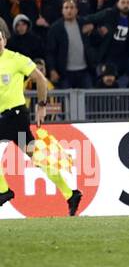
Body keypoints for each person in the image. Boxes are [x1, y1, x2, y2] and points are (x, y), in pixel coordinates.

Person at [0, 22, 82, 215]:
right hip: (5, 118)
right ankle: (70, 193)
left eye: (0, 38)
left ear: (4, 39)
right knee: (36, 157)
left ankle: (3, 191)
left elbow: (41, 79)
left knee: (35, 156)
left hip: (15, 117)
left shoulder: (16, 59)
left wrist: (42, 106)